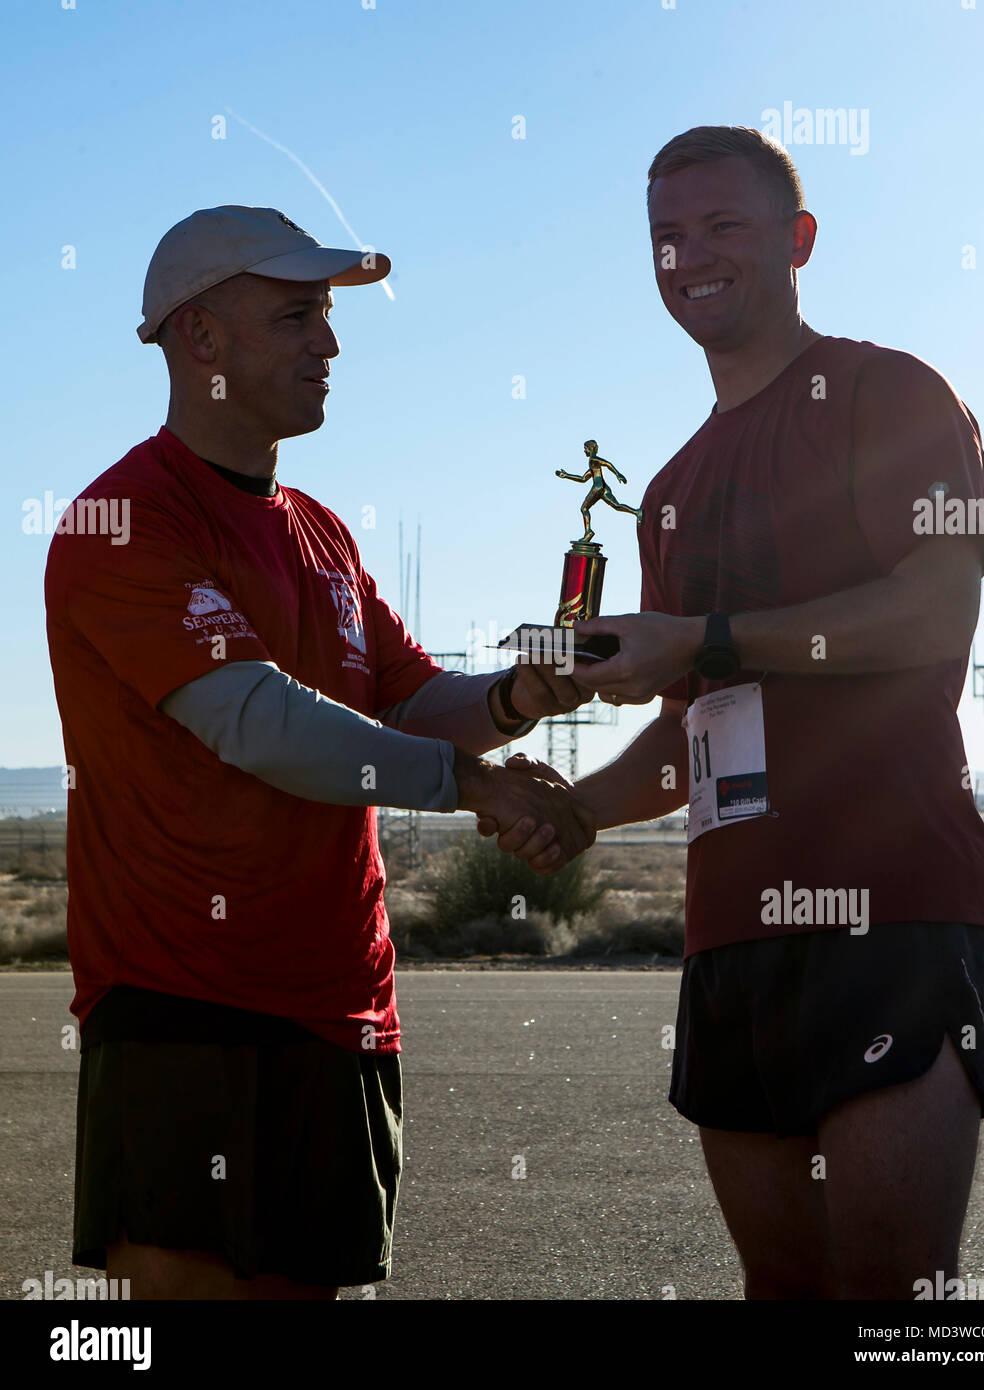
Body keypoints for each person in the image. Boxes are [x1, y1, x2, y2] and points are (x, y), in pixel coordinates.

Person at [487, 127, 984, 1300]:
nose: (688, 256)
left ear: (797, 241)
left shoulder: (890, 393)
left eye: (722, 226)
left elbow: (933, 612)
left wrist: (705, 638)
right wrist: (577, 815)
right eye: (666, 237)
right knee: (782, 1290)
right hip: (732, 938)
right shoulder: (666, 493)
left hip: (893, 913)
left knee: (897, 1301)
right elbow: (696, 724)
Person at [44, 204, 594, 1300]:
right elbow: (260, 725)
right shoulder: (121, 520)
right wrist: (471, 784)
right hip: (181, 1005)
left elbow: (412, 698)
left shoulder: (324, 532)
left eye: (329, 318)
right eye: (297, 315)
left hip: (342, 1009)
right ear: (198, 338)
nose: (330, 345)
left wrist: (519, 696)